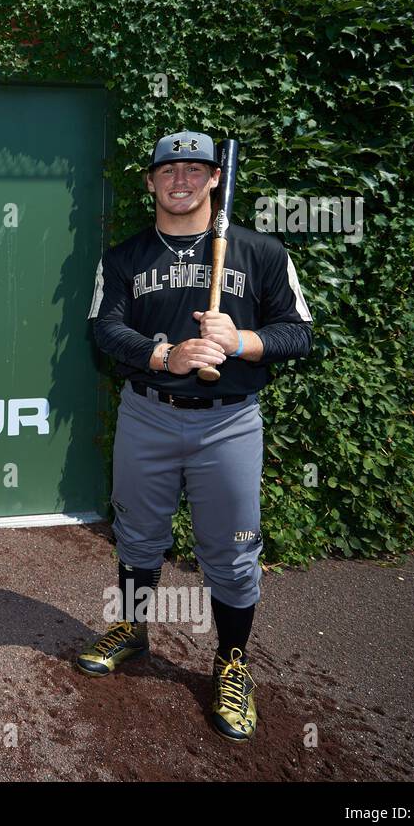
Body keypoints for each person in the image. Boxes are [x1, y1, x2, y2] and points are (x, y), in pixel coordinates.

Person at [80, 130, 313, 742]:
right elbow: (104, 332)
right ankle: (131, 629)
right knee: (136, 533)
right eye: (168, 171)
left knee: (233, 550)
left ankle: (232, 662)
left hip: (230, 421)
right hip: (148, 413)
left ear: (215, 178)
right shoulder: (124, 258)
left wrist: (239, 341)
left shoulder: (261, 253)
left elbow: (300, 334)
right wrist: (165, 356)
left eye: (194, 170)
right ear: (151, 182)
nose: (180, 180)